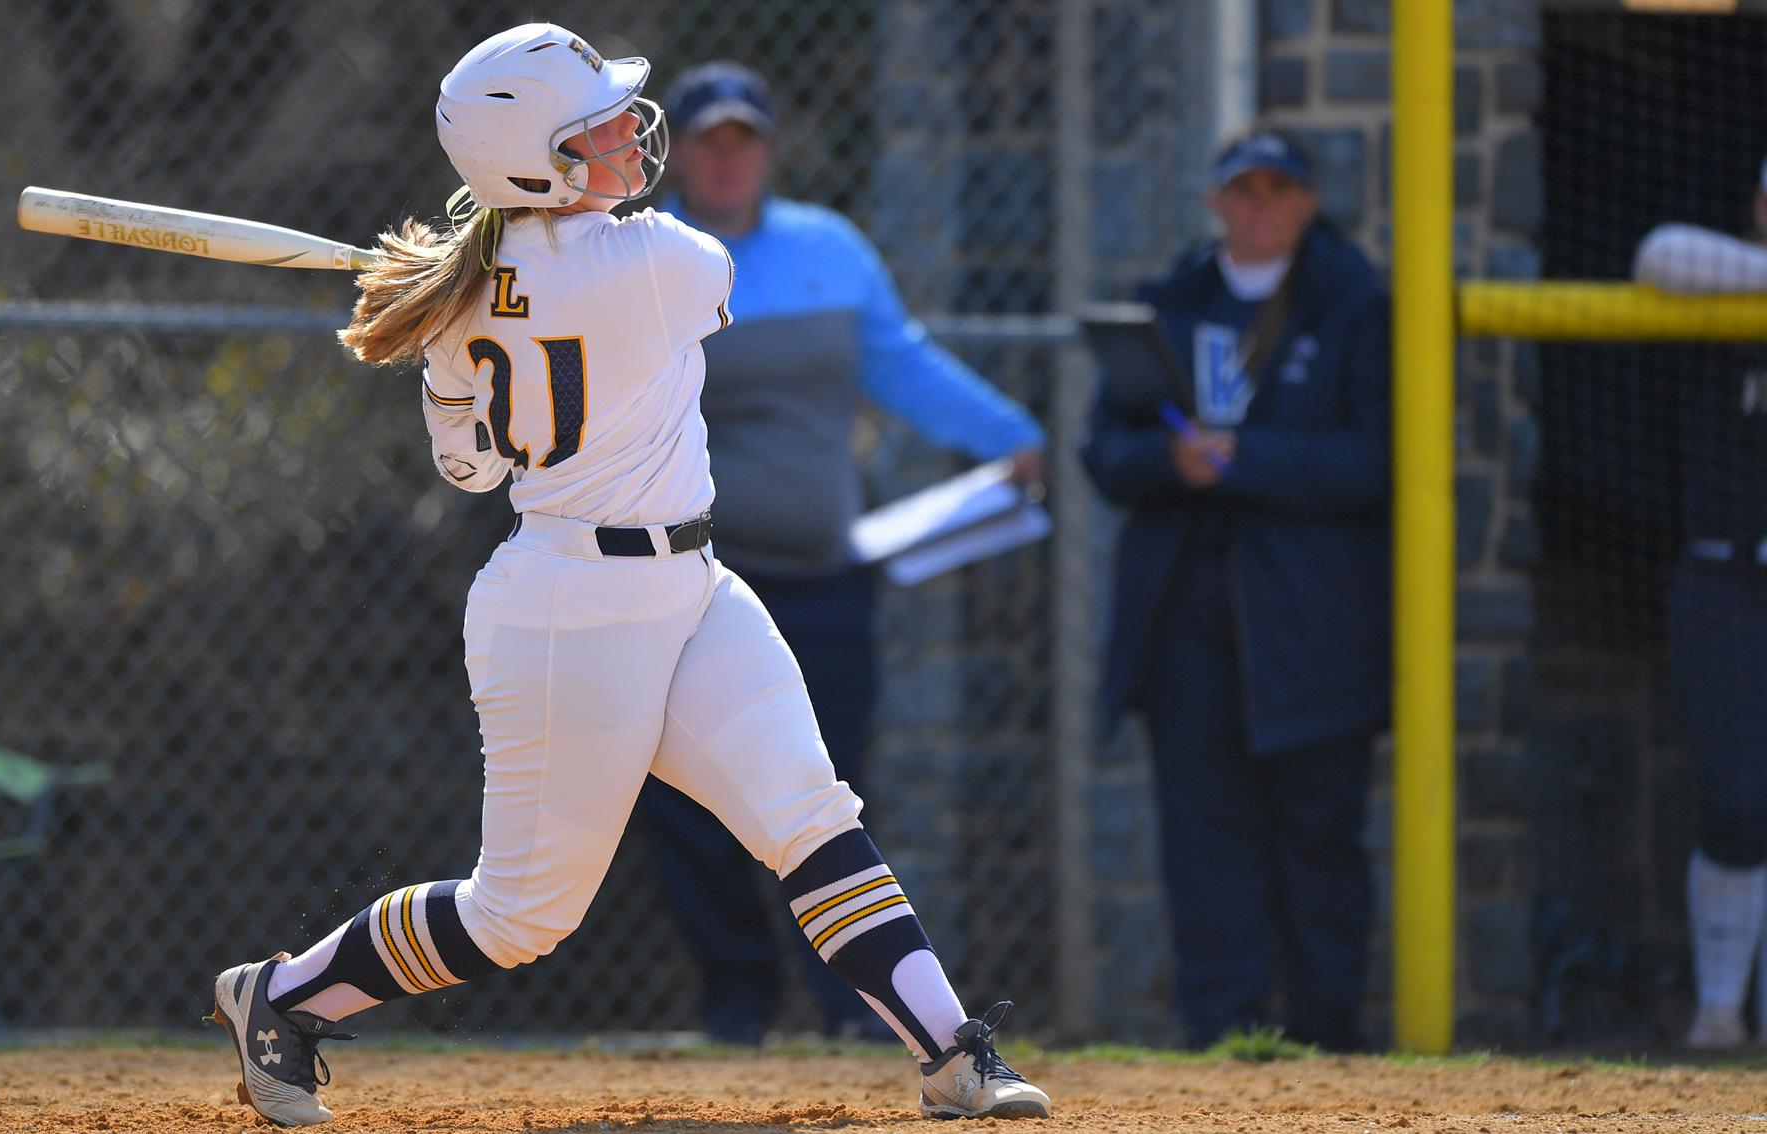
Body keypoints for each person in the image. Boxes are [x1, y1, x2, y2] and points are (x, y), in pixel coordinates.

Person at [205, 24, 1049, 1126]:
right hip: (571, 611)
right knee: (519, 916)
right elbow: (694, 287)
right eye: (593, 130)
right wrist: (500, 285)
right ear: (534, 165)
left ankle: (951, 1054)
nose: (626, 138)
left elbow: (468, 469)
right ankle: (280, 996)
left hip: (691, 585)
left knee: (808, 812)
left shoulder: (467, 305)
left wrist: (471, 304)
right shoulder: (664, 260)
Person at [634, 60, 1046, 1047]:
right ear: (676, 155)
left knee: (821, 793)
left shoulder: (830, 249)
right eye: (708, 142)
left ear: (769, 150)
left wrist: (1009, 435)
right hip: (687, 586)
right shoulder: (641, 260)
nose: (727, 159)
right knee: (686, 800)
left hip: (825, 581)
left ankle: (846, 1010)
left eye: (744, 140)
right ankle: (736, 1007)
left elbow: (903, 365)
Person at [1080, 129, 1391, 1052]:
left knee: (1319, 841)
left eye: (1278, 190)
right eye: (1242, 190)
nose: (1260, 207)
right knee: (1205, 845)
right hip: (1188, 625)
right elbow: (1105, 450)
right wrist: (1170, 461)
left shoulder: (1355, 303)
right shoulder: (1168, 303)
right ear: (1215, 201)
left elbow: (1375, 462)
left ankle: (1328, 1040)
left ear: (1307, 202)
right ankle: (1222, 1041)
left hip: (1315, 626)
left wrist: (1246, 460)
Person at [1631, 158, 1767, 1050]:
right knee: (1737, 801)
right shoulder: (1722, 275)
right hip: (1724, 579)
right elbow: (1656, 256)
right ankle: (1719, 1014)